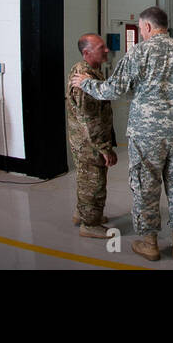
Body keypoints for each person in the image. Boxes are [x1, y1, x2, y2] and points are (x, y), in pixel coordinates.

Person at [71, 6, 173, 261]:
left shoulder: (138, 53)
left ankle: (149, 243)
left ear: (148, 27)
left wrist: (85, 82)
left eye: (142, 28)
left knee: (146, 185)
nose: (142, 33)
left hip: (146, 135)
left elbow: (112, 90)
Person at [66, 33, 117, 239]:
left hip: (88, 140)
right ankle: (90, 224)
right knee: (94, 183)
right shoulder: (82, 78)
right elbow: (89, 120)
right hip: (89, 142)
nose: (106, 50)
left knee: (87, 179)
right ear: (87, 53)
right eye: (101, 48)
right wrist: (105, 148)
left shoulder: (92, 73)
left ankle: (82, 214)